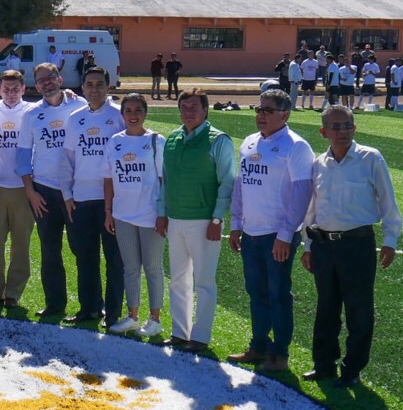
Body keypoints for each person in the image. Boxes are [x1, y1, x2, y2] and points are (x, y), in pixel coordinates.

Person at [300, 106, 403, 388]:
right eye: (336, 127)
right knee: (326, 308)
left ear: (354, 128)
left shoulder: (370, 158)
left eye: (347, 126)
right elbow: (312, 209)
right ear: (323, 132)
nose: (342, 132)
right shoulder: (318, 164)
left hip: (357, 245)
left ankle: (352, 369)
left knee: (359, 310)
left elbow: (388, 202)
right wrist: (308, 245)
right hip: (324, 247)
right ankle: (324, 365)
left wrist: (390, 240)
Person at [224, 89, 315, 373]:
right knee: (256, 293)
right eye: (258, 109)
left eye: (267, 110)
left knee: (278, 295)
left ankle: (279, 354)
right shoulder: (249, 142)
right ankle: (259, 346)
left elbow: (302, 194)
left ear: (284, 114)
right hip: (251, 233)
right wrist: (236, 224)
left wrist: (286, 234)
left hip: (277, 235)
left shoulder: (296, 146)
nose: (261, 115)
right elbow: (241, 185)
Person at [156, 89, 237, 353]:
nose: (188, 111)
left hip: (204, 222)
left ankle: (200, 337)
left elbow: (227, 182)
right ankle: (180, 332)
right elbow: (166, 180)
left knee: (204, 282)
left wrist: (217, 219)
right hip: (175, 219)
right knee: (178, 279)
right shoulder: (173, 139)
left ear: (205, 110)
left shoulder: (218, 140)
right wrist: (162, 212)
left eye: (194, 107)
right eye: (184, 107)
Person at [19, 62, 88, 317]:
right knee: (50, 250)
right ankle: (55, 303)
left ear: (60, 79)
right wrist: (31, 192)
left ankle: (91, 305)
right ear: (36, 86)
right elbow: (23, 157)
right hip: (44, 191)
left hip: (76, 190)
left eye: (50, 77)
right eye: (41, 80)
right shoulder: (31, 114)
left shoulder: (80, 105)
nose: (46, 82)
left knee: (82, 248)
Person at [63, 67, 126, 326]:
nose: (95, 89)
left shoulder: (119, 115)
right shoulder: (75, 118)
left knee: (114, 259)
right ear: (83, 88)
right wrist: (67, 194)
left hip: (112, 201)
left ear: (108, 86)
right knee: (85, 257)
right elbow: (68, 159)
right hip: (82, 198)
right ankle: (89, 308)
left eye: (100, 84)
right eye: (89, 84)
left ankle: (113, 313)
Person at [102, 93, 165, 338]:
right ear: (122, 114)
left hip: (150, 215)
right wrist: (109, 211)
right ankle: (133, 316)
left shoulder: (156, 141)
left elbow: (164, 180)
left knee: (153, 267)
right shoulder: (114, 142)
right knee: (130, 268)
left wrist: (163, 214)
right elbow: (108, 179)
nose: (133, 115)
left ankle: (155, 319)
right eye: (128, 110)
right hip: (123, 215)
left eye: (138, 110)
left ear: (145, 113)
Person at [0, 70, 35, 309]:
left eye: (16, 89)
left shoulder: (32, 111)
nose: (11, 94)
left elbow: (64, 106)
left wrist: (69, 94)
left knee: (21, 243)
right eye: (6, 89)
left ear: (23, 89)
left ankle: (13, 292)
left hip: (23, 187)